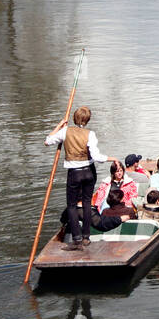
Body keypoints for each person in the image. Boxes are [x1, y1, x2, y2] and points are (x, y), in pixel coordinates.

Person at [45, 106, 110, 251]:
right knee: (87, 203)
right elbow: (97, 157)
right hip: (89, 172)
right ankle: (86, 237)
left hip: (74, 173)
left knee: (72, 206)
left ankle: (76, 240)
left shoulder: (65, 131)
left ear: (74, 118)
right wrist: (110, 158)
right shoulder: (90, 134)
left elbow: (47, 141)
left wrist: (59, 126)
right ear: (87, 120)